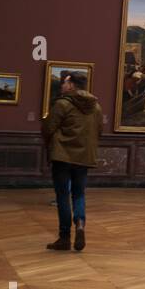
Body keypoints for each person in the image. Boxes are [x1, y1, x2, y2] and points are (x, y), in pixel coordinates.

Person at [41, 71, 101, 252]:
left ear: (72, 85)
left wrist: (52, 144)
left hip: (63, 156)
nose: (62, 85)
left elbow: (48, 128)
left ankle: (64, 237)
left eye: (65, 83)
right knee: (79, 194)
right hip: (83, 157)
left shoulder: (62, 104)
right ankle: (80, 224)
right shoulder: (96, 106)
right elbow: (99, 131)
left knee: (62, 196)